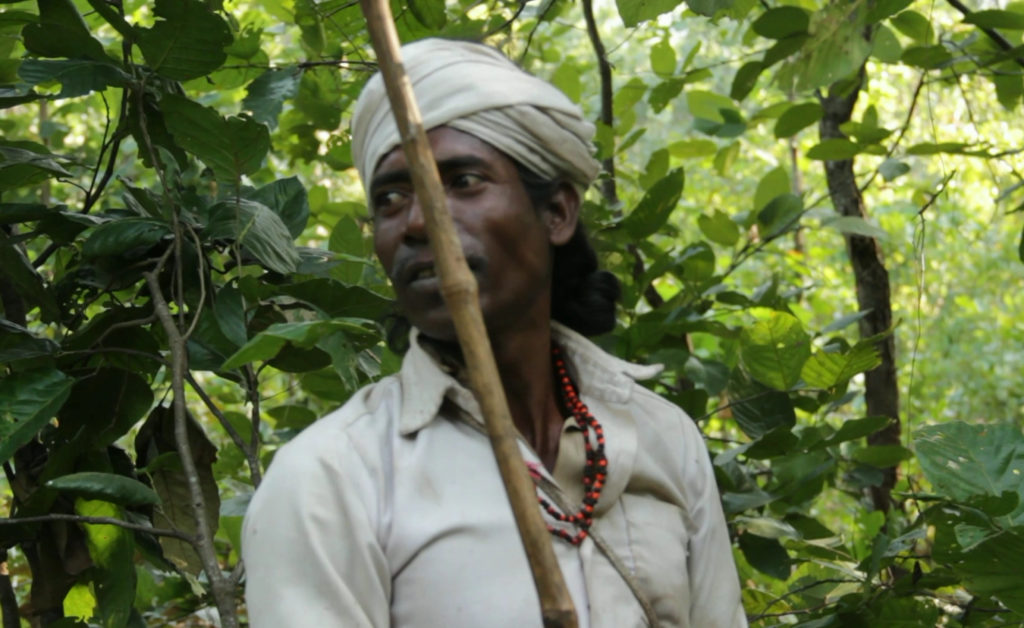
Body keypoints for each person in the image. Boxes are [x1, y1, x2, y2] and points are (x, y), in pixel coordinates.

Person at [242, 38, 746, 628]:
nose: (417, 220)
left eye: (462, 181)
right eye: (391, 198)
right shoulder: (331, 478)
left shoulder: (664, 438)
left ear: (556, 212)